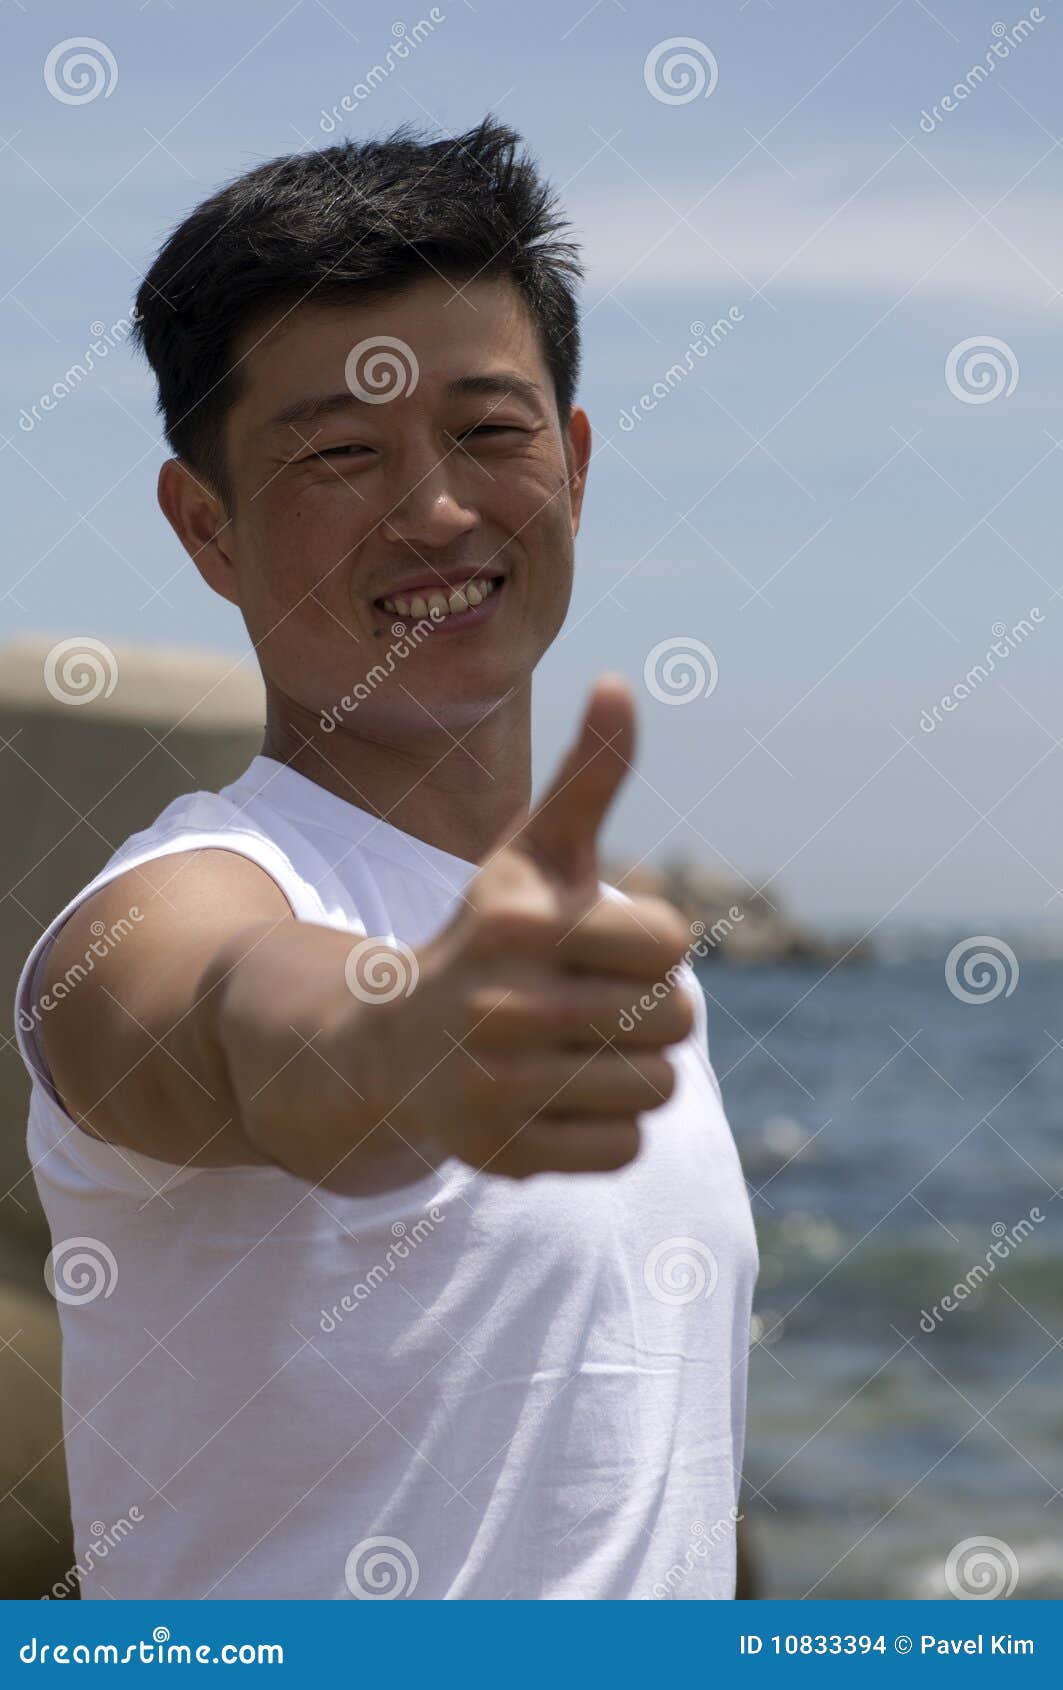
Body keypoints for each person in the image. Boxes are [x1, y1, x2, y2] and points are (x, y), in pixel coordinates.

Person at [14, 118, 757, 1600]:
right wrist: (401, 1039)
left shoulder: (592, 950)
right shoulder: (171, 906)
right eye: (341, 455)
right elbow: (229, 1008)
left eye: (491, 432)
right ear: (206, 527)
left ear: (577, 458)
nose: (434, 513)